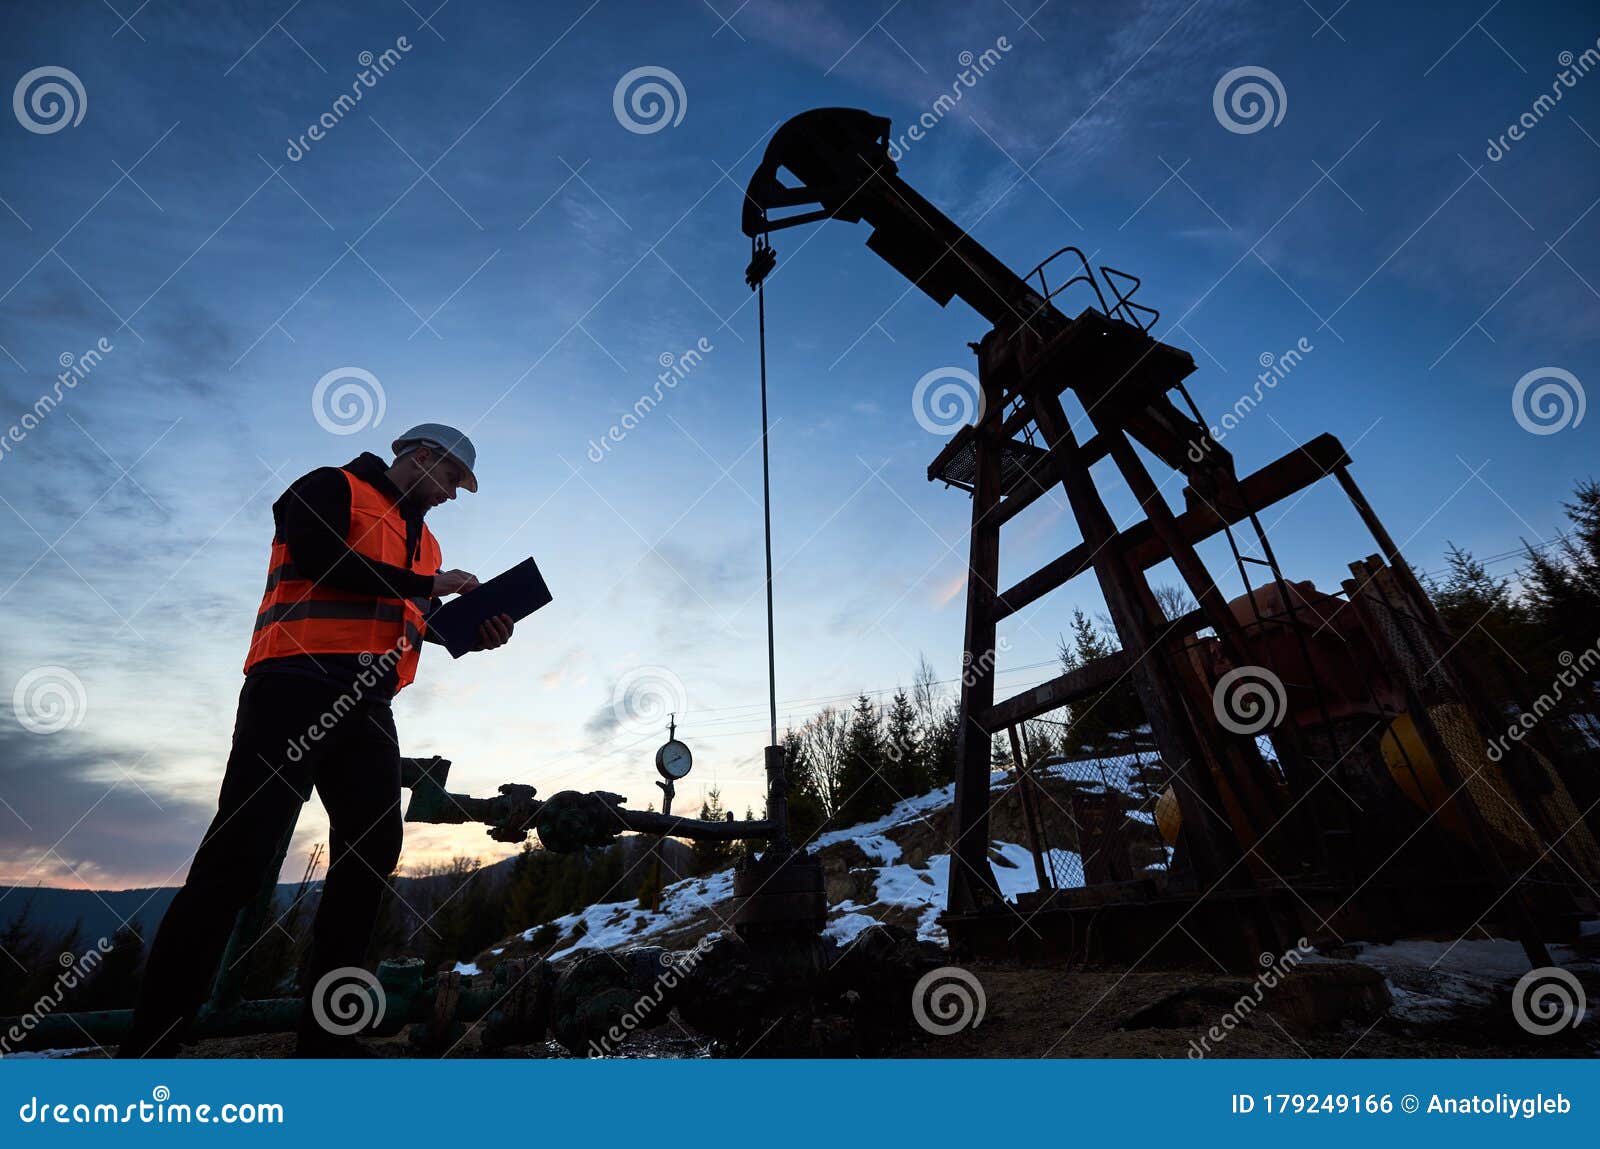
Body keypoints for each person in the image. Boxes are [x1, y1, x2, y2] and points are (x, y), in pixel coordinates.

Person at [118, 424, 514, 1058]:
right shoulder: (331, 486)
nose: (451, 494)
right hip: (293, 686)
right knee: (236, 862)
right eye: (449, 479)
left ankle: (326, 1038)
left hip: (368, 705)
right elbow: (318, 559)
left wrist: (474, 630)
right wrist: (429, 586)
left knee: (371, 853)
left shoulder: (428, 544)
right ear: (420, 457)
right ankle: (150, 1047)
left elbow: (415, 617)